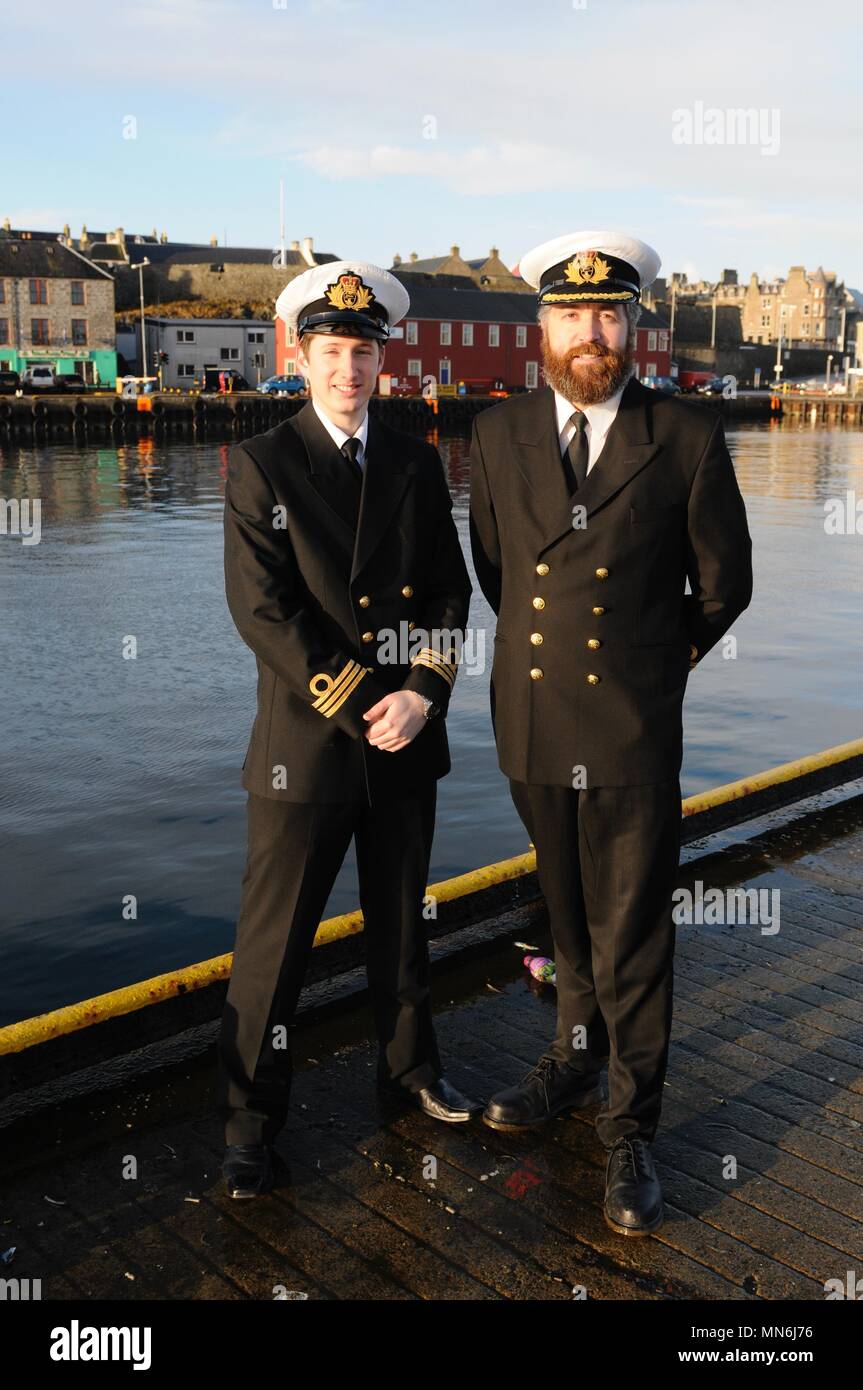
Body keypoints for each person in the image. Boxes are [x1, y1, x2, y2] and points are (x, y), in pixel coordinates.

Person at [469, 230, 753, 1235]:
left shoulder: (681, 432)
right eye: (569, 313)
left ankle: (629, 1124)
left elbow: (724, 583)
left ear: (631, 325)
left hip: (630, 724)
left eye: (607, 314)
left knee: (630, 928)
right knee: (563, 914)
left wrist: (650, 661)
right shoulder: (497, 435)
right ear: (539, 326)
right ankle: (573, 1055)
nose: (588, 331)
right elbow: (495, 568)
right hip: (535, 717)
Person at [218, 260, 479, 1199]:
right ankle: (250, 1125)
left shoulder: (412, 459)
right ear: (301, 354)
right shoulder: (263, 464)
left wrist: (423, 692)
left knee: (402, 922)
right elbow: (262, 610)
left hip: (404, 736)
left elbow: (448, 592)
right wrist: (355, 696)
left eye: (362, 354)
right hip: (307, 746)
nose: (348, 371)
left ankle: (410, 1073)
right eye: (331, 352)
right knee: (274, 948)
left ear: (381, 360)